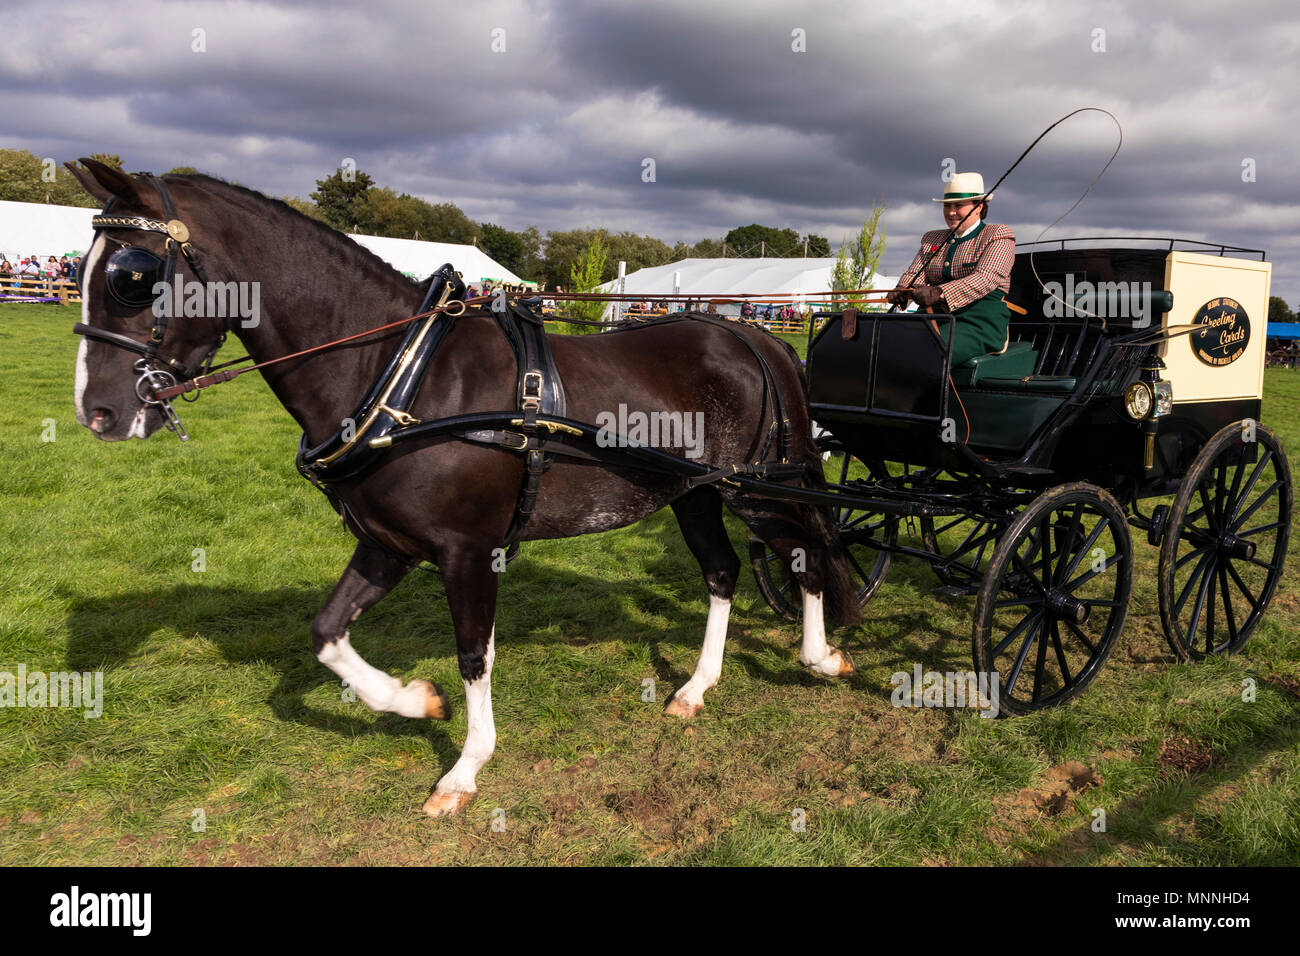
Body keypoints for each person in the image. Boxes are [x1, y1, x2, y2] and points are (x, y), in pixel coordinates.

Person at [886, 172, 1015, 368]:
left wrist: (940, 292)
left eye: (959, 206)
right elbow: (915, 274)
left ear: (979, 207)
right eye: (947, 206)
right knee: (886, 341)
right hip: (933, 318)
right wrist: (902, 290)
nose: (951, 212)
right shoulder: (932, 239)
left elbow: (985, 278)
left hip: (978, 323)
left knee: (925, 350)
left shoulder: (998, 235)